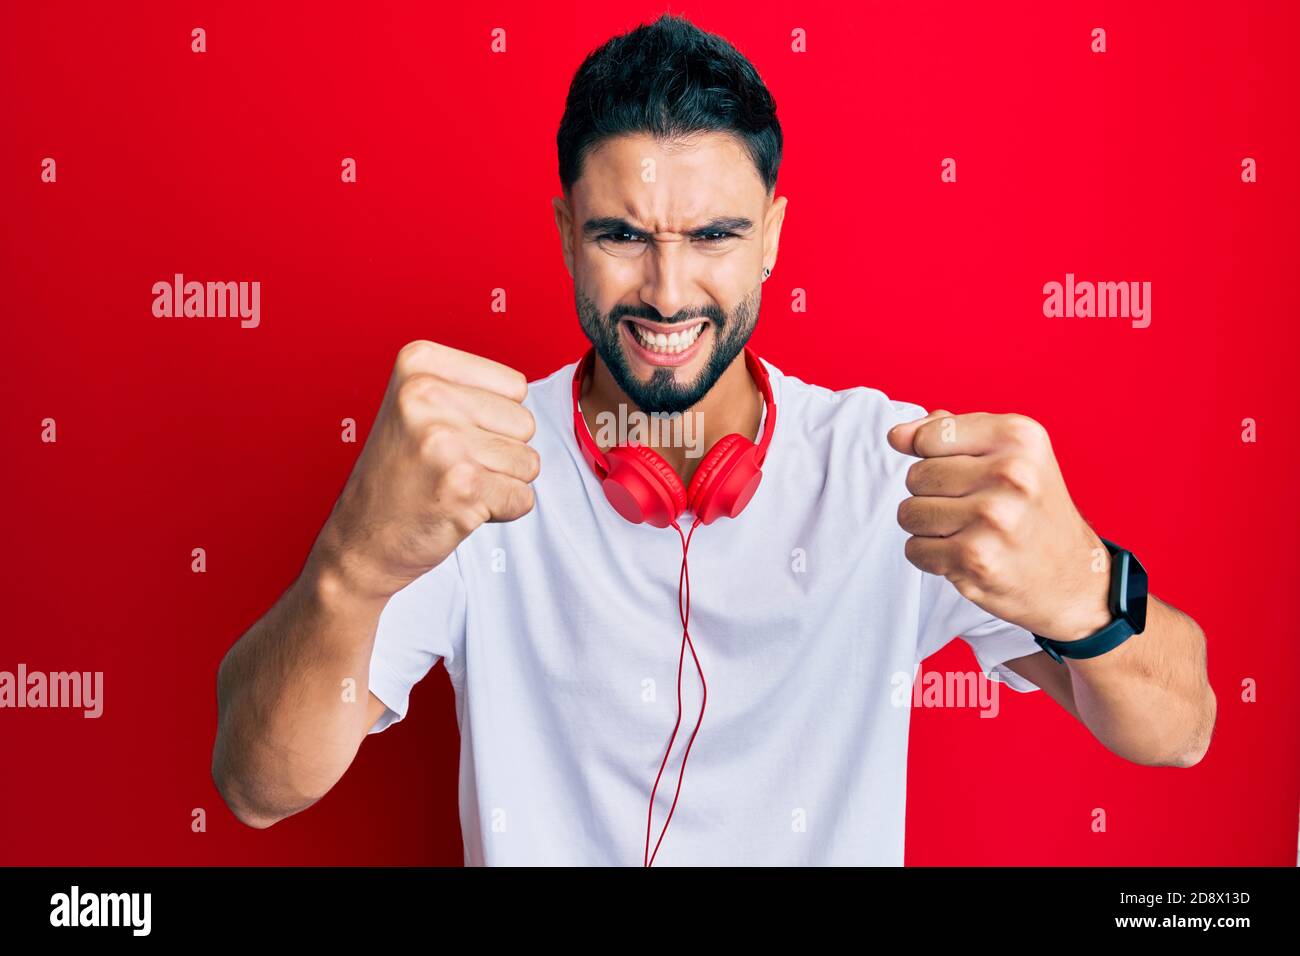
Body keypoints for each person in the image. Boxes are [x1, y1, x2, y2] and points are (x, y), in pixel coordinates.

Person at [212, 13, 1216, 866]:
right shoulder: (468, 462)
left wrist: (1085, 583)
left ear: (774, 235)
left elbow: (1181, 730)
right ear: (564, 231)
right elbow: (259, 785)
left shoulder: (887, 466)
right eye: (620, 235)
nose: (666, 289)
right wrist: (348, 562)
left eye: (713, 236)